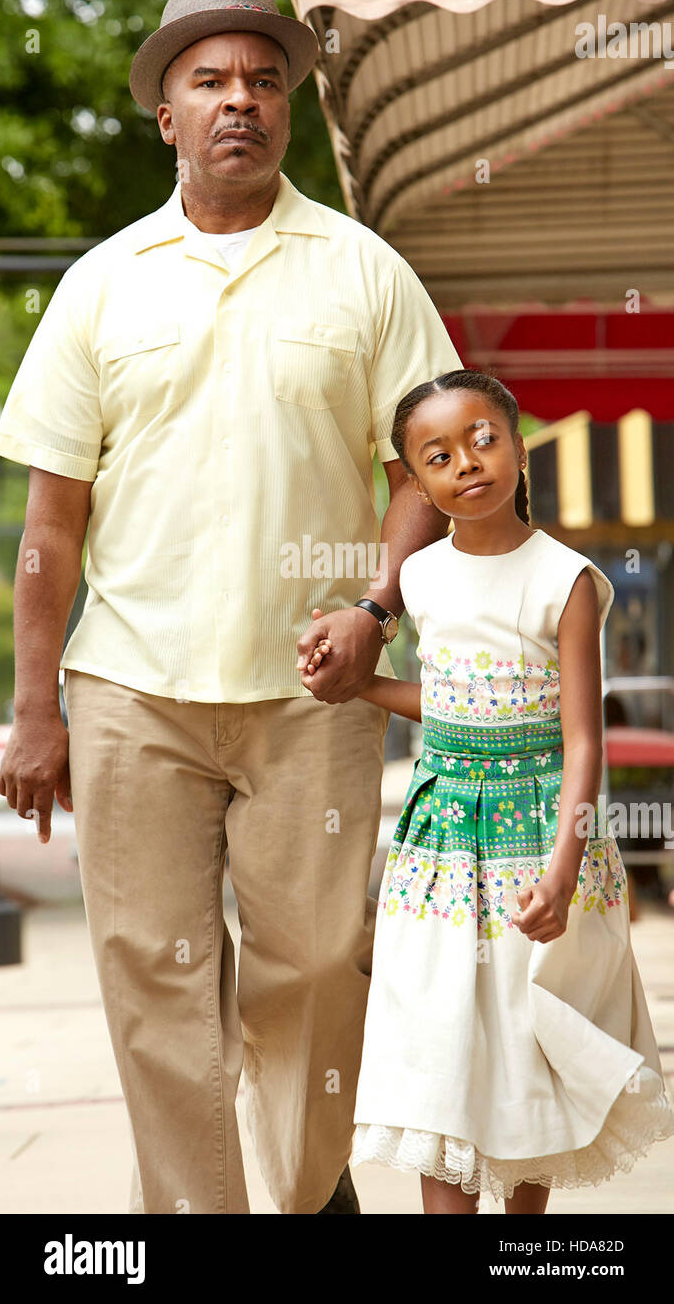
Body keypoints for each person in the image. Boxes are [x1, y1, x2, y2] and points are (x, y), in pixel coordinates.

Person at [0, 0, 462, 1215]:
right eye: (208, 81)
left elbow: (428, 467)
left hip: (314, 692)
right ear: (167, 113)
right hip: (131, 691)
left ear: (288, 109)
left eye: (261, 80)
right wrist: (34, 710)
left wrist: (372, 609)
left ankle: (307, 1197)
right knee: (152, 975)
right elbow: (50, 525)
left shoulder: (364, 272)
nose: (238, 102)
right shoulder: (98, 286)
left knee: (314, 965)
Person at [301, 367, 674, 1214]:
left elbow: (584, 738)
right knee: (443, 1044)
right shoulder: (420, 579)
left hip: (540, 842)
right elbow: (450, 703)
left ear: (516, 446)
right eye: (437, 456)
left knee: (525, 1042)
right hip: (437, 844)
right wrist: (358, 686)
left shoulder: (568, 579)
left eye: (483, 439)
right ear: (418, 483)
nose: (466, 462)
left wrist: (563, 867)